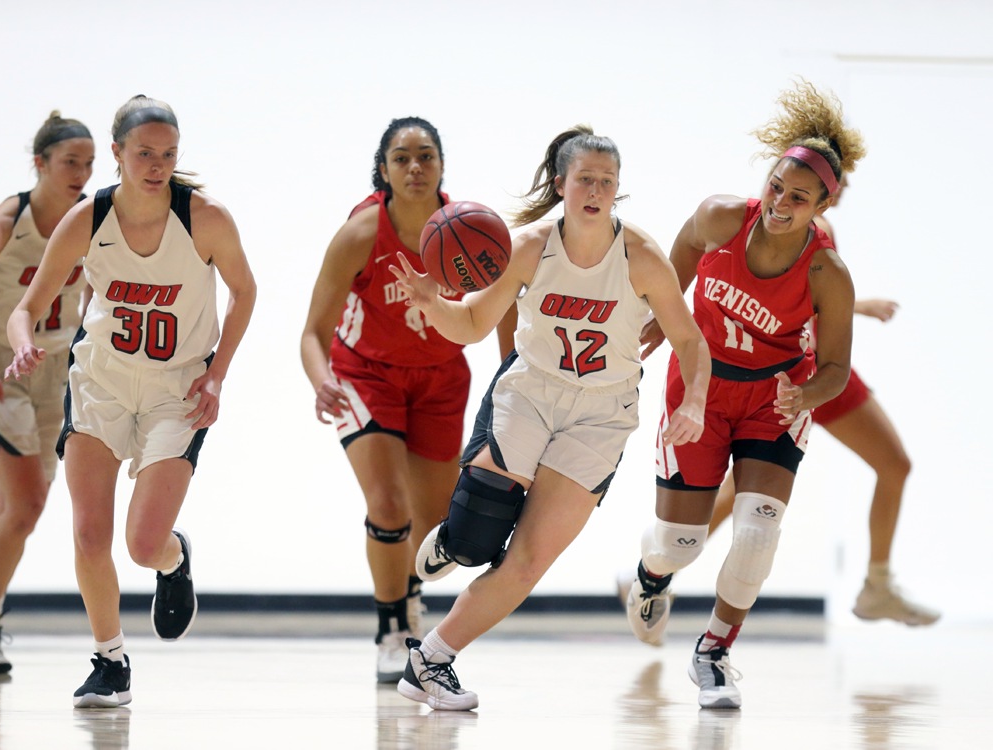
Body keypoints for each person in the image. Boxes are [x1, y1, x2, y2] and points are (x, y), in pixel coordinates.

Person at [391, 125, 710, 711]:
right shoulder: (530, 246)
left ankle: (428, 662)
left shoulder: (640, 255)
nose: (595, 190)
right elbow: (469, 325)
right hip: (531, 392)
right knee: (476, 538)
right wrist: (431, 302)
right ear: (561, 183)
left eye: (607, 182)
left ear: (618, 190)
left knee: (527, 561)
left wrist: (693, 402)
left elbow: (691, 341)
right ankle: (457, 538)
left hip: (602, 414)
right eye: (585, 178)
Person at [4, 95, 257, 707]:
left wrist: (218, 374)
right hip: (101, 383)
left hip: (178, 390)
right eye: (144, 153)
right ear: (117, 154)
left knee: (143, 543)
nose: (157, 164)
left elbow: (245, 293)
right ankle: (109, 658)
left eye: (168, 154)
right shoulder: (89, 220)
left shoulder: (205, 218)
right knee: (91, 533)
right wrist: (21, 347)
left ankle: (174, 560)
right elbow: (27, 309)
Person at [625, 79, 866, 709]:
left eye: (799, 197)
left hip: (771, 398)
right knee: (681, 543)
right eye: (777, 187)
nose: (781, 202)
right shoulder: (720, 217)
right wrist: (665, 309)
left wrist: (805, 395)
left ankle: (714, 651)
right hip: (698, 388)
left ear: (822, 209)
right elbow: (676, 248)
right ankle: (651, 578)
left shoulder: (827, 272)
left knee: (759, 535)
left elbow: (838, 368)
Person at [300, 117, 485, 684]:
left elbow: (503, 303)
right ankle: (391, 627)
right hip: (366, 373)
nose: (414, 167)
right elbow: (312, 332)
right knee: (387, 506)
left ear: (442, 166)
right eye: (401, 158)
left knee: (433, 531)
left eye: (425, 156)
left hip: (440, 376)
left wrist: (508, 371)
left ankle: (408, 596)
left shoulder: (469, 232)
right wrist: (320, 380)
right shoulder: (361, 234)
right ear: (383, 169)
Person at [704, 187, 937, 625]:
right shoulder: (815, 227)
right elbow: (792, 303)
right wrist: (858, 307)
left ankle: (658, 565)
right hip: (808, 376)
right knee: (893, 465)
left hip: (791, 373)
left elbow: (792, 300)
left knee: (743, 491)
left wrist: (858, 306)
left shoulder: (769, 223)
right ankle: (878, 586)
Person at [0, 112, 95, 673]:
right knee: (26, 505)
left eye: (88, 163)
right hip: (2, 370)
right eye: (69, 162)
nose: (80, 173)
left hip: (57, 375)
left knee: (15, 509)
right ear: (39, 164)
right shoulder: (8, 221)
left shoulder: (90, 221)